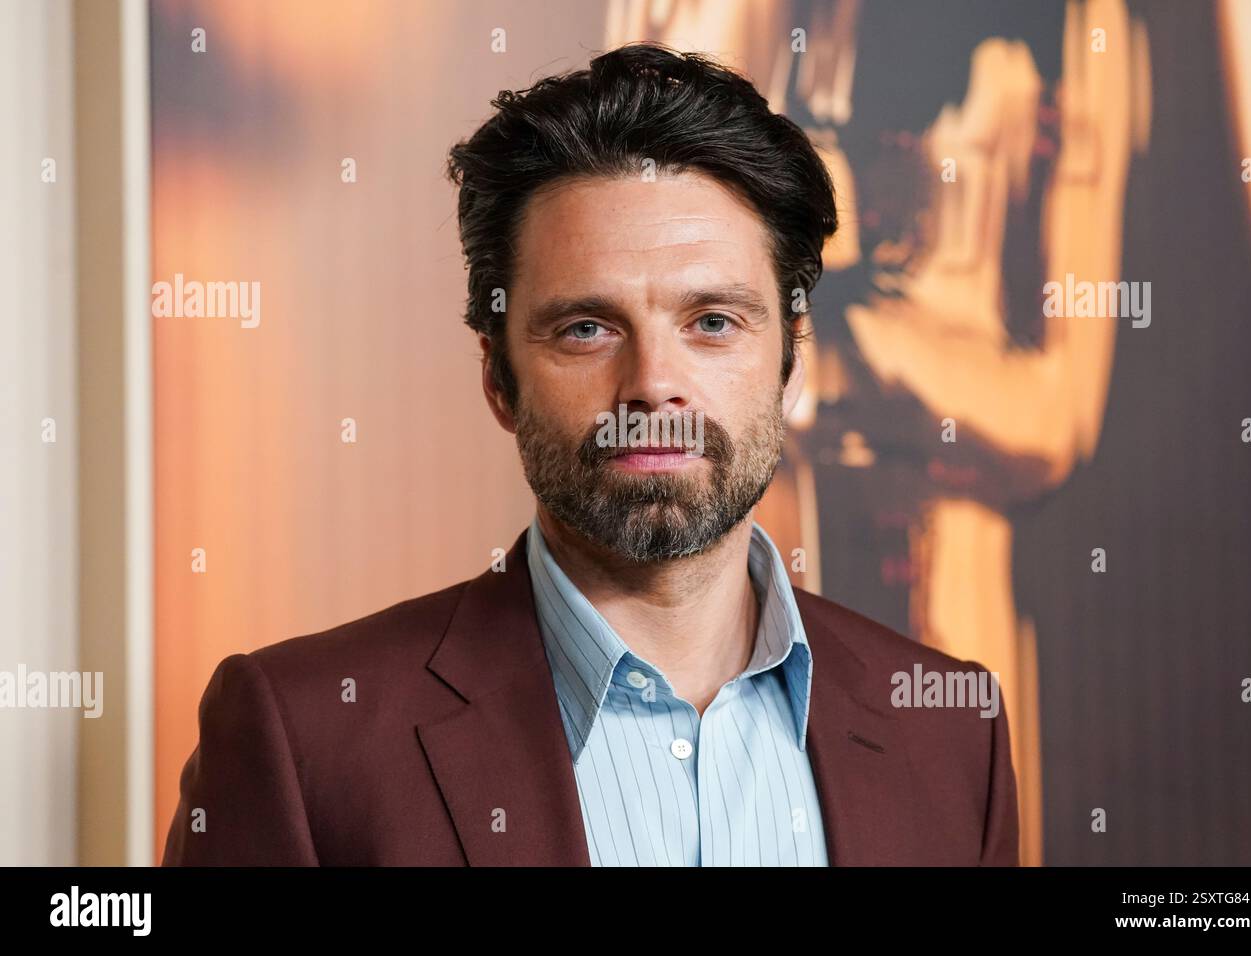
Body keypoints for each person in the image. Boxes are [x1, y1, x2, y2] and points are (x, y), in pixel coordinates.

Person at [161, 42, 1018, 866]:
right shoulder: (305, 740)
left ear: (791, 361)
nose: (652, 387)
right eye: (587, 328)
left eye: (712, 323)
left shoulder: (949, 733)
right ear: (499, 376)